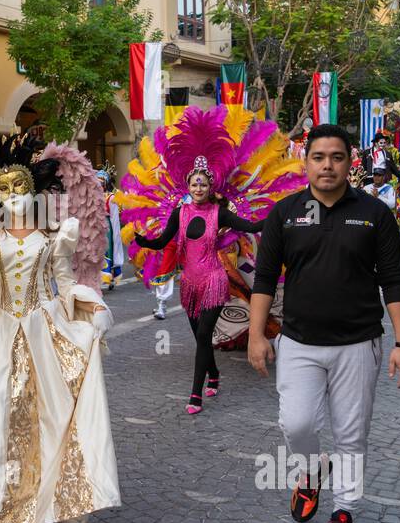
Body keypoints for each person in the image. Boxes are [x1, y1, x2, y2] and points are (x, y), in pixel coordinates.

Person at [248, 123, 400, 523]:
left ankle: (344, 515)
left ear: (349, 162)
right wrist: (255, 335)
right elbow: (264, 279)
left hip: (358, 343)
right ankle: (309, 470)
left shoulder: (375, 214)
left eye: (336, 157)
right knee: (297, 424)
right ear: (306, 162)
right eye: (319, 157)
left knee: (351, 435)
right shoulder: (284, 214)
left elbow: (393, 282)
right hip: (298, 342)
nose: (327, 165)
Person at [0, 132, 119, 523]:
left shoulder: (58, 233)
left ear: (35, 188)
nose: (12, 194)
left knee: (49, 415)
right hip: (0, 332)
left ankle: (47, 501)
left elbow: (64, 282)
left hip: (44, 330)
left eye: (20, 185)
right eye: (3, 189)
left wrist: (95, 309)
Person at [119, 106, 304, 410]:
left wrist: (278, 214)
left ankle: (195, 394)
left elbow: (252, 225)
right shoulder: (180, 212)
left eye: (204, 184)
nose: (199, 188)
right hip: (189, 284)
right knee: (200, 338)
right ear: (188, 186)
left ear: (211, 186)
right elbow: (165, 239)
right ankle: (214, 374)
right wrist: (143, 240)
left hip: (215, 282)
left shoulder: (221, 213)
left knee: (204, 335)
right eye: (194, 184)